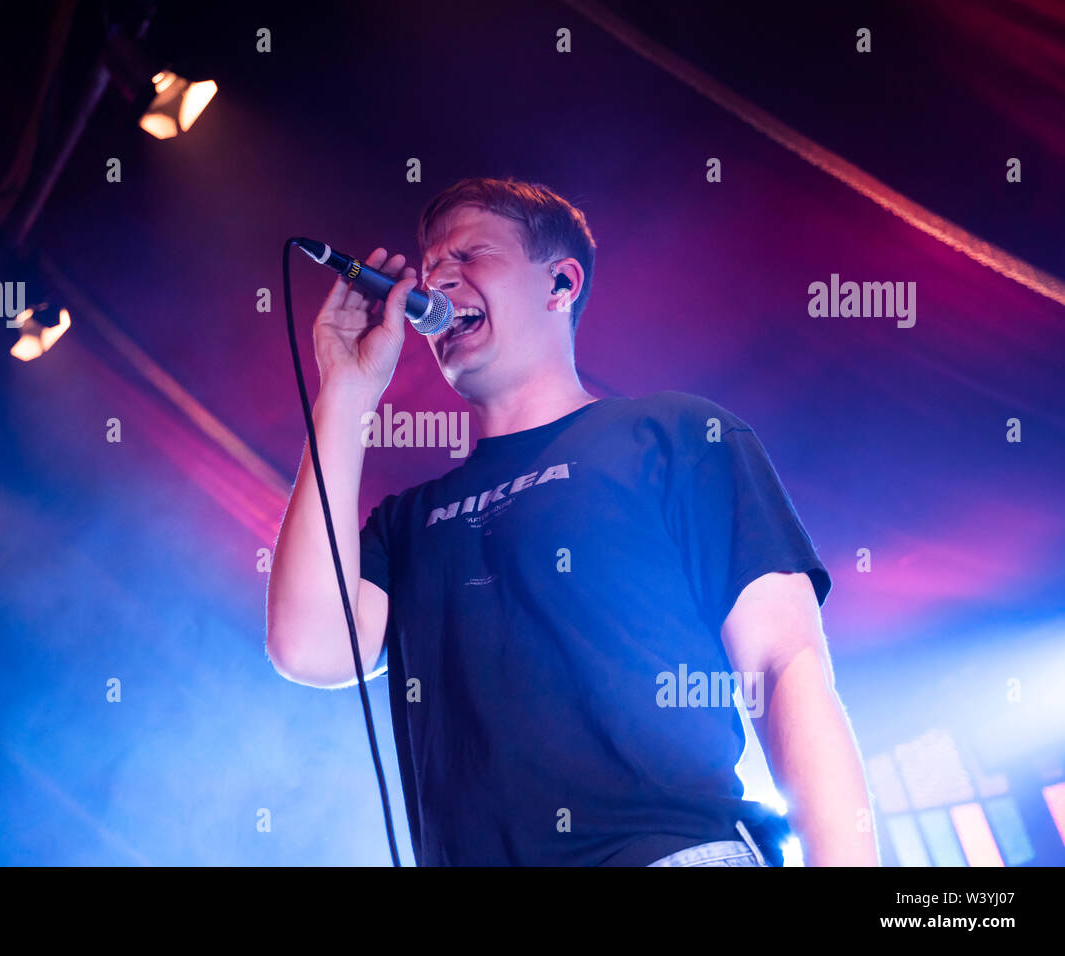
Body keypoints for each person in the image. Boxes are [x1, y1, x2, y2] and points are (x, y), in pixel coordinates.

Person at [266, 176, 878, 867]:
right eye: (431, 267)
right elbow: (310, 648)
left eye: (469, 257)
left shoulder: (676, 435)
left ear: (559, 282)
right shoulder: (408, 521)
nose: (436, 282)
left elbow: (783, 663)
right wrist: (344, 393)